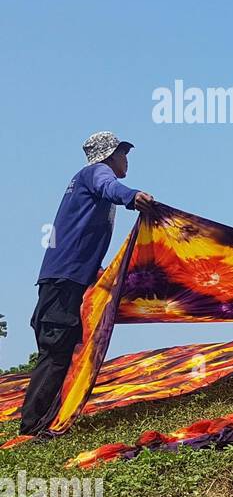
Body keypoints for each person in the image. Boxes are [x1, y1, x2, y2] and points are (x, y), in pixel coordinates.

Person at [19, 132, 154, 436]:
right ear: (109, 155)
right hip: (64, 280)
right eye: (123, 153)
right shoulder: (96, 173)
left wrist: (97, 271)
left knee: (64, 348)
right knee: (56, 349)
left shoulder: (88, 183)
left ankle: (47, 417)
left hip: (70, 277)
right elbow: (110, 186)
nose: (126, 159)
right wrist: (132, 197)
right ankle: (32, 427)